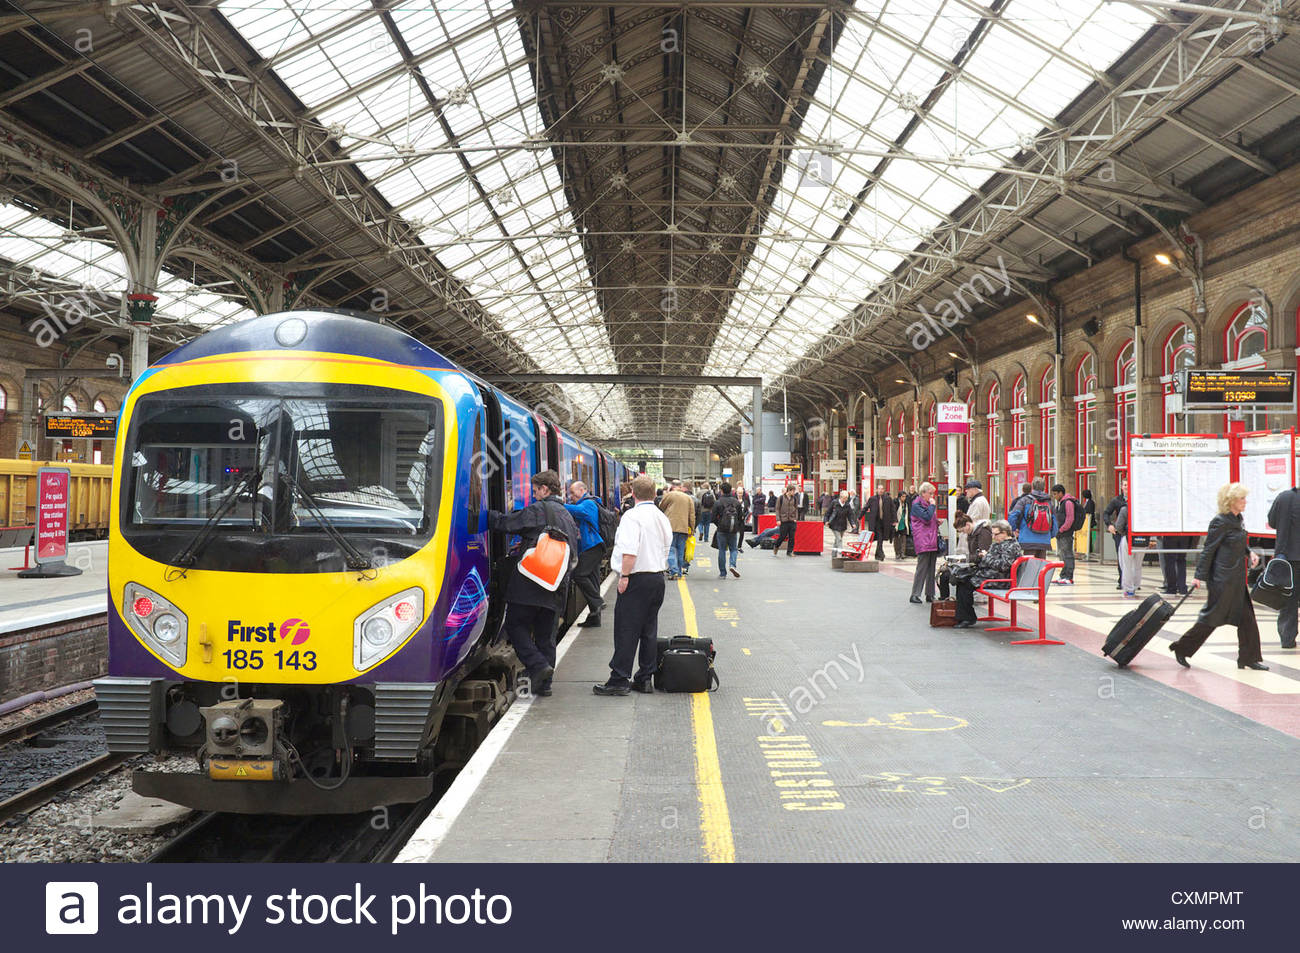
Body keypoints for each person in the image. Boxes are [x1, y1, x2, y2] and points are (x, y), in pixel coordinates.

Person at [487, 470, 579, 696]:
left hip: (530, 584)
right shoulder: (567, 515)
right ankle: (544, 686)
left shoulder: (540, 509)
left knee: (515, 626)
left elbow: (507, 524)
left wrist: (483, 514)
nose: (534, 494)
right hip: (556, 585)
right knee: (546, 636)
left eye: (536, 490)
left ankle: (538, 666)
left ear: (545, 489)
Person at [1168, 483, 1268, 670]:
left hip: (1237, 579)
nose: (1245, 502)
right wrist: (1198, 576)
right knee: (1211, 618)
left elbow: (1236, 542)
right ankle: (1181, 648)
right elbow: (1208, 550)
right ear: (1231, 501)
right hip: (1222, 580)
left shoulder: (1237, 519)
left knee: (1247, 619)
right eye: (1242, 498)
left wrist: (1249, 553)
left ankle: (1248, 658)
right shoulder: (1220, 521)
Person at [595, 474, 674, 695]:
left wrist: (624, 576)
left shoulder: (632, 516)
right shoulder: (661, 517)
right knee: (649, 629)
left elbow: (629, 552)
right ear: (654, 493)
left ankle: (619, 679)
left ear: (633, 493)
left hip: (637, 578)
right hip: (657, 578)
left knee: (626, 629)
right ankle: (644, 678)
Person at [953, 520, 1023, 627]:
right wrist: (982, 557)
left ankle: (967, 618)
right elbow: (990, 561)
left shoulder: (1012, 546)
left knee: (966, 583)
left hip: (1001, 580)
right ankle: (965, 617)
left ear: (1004, 533)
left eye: (996, 534)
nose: (994, 537)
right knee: (962, 579)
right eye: (993, 534)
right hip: (990, 575)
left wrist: (986, 557)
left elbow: (1003, 566)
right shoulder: (998, 544)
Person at [562, 480, 608, 628]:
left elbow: (579, 511)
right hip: (591, 547)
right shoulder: (585, 503)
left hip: (593, 546)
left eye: (573, 493)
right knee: (593, 581)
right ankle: (595, 617)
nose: (571, 497)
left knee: (579, 574)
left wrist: (559, 505)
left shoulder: (588, 503)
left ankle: (598, 602)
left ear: (582, 490)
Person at [1268, 482, 1300, 649]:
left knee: (1288, 598)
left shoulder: (1283, 497)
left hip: (1286, 557)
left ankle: (1287, 638)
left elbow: (1272, 521)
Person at [909, 481, 940, 604]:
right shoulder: (917, 505)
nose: (932, 496)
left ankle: (930, 594)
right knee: (922, 568)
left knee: (931, 567)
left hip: (931, 539)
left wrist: (937, 522)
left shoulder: (927, 504)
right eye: (930, 493)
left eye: (933, 494)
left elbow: (930, 519)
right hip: (923, 540)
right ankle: (915, 594)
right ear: (923, 493)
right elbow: (926, 518)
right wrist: (932, 506)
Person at [1009, 477, 1055, 559]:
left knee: (1029, 567)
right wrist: (1049, 535)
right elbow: (1054, 521)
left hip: (1027, 539)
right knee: (1041, 567)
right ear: (1044, 487)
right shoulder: (1049, 502)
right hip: (1044, 540)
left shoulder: (1024, 500)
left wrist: (1014, 530)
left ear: (1032, 487)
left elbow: (1013, 516)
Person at [658, 481, 695, 580]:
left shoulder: (669, 495)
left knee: (670, 549)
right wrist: (692, 528)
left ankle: (673, 570)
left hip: (669, 527)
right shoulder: (688, 498)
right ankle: (679, 571)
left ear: (673, 487)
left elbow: (661, 507)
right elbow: (692, 515)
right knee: (680, 550)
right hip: (683, 528)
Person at [1111, 490, 1142, 598]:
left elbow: (1119, 526)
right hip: (1143, 540)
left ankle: (1129, 589)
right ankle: (1136, 584)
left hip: (1128, 539)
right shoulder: (1143, 510)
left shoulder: (1125, 509)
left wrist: (1124, 532)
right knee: (1138, 564)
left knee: (1126, 564)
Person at [711, 482, 745, 578]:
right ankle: (732, 565)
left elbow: (713, 518)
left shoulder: (718, 502)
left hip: (721, 530)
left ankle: (722, 573)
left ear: (721, 491)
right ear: (731, 490)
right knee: (733, 549)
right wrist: (736, 526)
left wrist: (719, 524)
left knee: (722, 550)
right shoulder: (736, 502)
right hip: (733, 530)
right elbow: (740, 517)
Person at [1050, 483, 1079, 585]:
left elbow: (1070, 519)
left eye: (1055, 494)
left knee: (1068, 554)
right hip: (1061, 534)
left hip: (1066, 533)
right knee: (1062, 555)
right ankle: (1063, 575)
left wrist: (1061, 529)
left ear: (1061, 493)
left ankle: (1069, 576)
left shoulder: (1068, 503)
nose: (1054, 496)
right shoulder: (1061, 503)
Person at [1103, 480, 1128, 591]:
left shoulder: (1136, 498)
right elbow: (1106, 513)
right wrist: (1109, 525)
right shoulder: (1116, 500)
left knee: (1133, 557)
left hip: (1132, 532)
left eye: (1128, 484)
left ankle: (1131, 580)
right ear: (1121, 487)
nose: (1126, 487)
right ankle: (1122, 579)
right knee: (1121, 556)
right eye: (1125, 485)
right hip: (1119, 532)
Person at [863, 484, 896, 561]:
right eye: (879, 489)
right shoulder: (872, 499)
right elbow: (865, 508)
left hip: (884, 522)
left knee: (881, 538)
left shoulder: (888, 499)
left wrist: (894, 520)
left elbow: (892, 509)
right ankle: (880, 554)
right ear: (876, 490)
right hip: (876, 522)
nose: (881, 490)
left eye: (882, 489)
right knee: (879, 538)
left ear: (883, 490)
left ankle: (878, 554)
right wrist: (859, 517)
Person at [772, 486, 799, 556]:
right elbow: (777, 509)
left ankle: (789, 552)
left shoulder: (795, 499)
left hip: (792, 520)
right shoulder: (781, 498)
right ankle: (776, 545)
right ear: (789, 491)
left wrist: (796, 518)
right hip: (783, 520)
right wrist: (778, 519)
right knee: (782, 536)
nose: (794, 492)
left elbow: (796, 509)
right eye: (793, 491)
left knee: (792, 537)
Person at [893, 489, 910, 559]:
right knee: (896, 539)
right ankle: (897, 553)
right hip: (897, 522)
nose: (904, 498)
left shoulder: (906, 504)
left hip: (904, 522)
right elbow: (893, 512)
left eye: (905, 496)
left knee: (903, 538)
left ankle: (903, 553)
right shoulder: (895, 503)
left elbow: (907, 513)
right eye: (903, 496)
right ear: (900, 497)